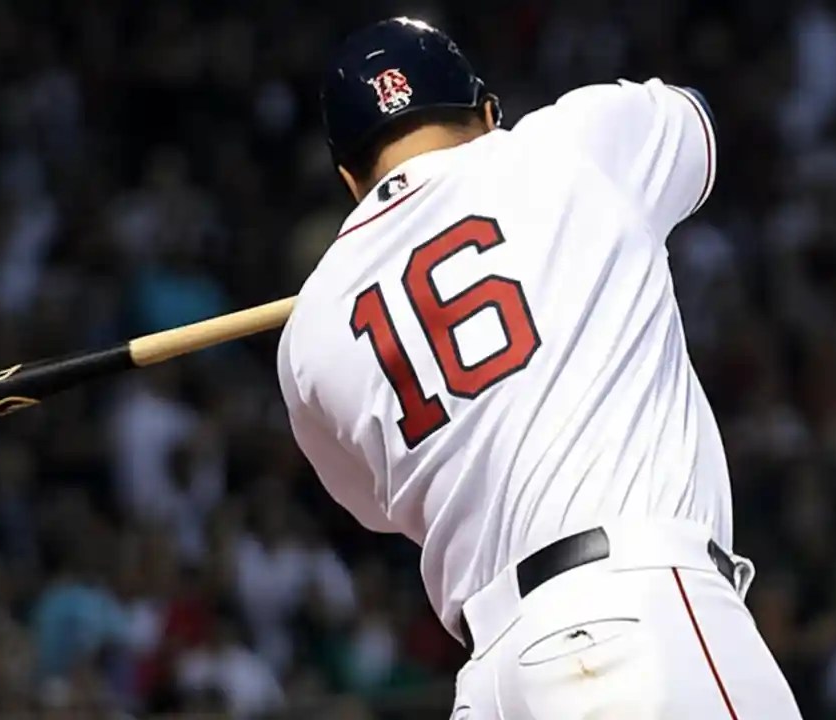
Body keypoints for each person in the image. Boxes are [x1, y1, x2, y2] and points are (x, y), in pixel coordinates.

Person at [277, 16, 804, 718]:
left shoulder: (311, 330)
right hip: (638, 620)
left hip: (491, 677)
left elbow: (382, 509)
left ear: (350, 178)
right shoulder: (569, 145)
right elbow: (699, 120)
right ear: (489, 110)